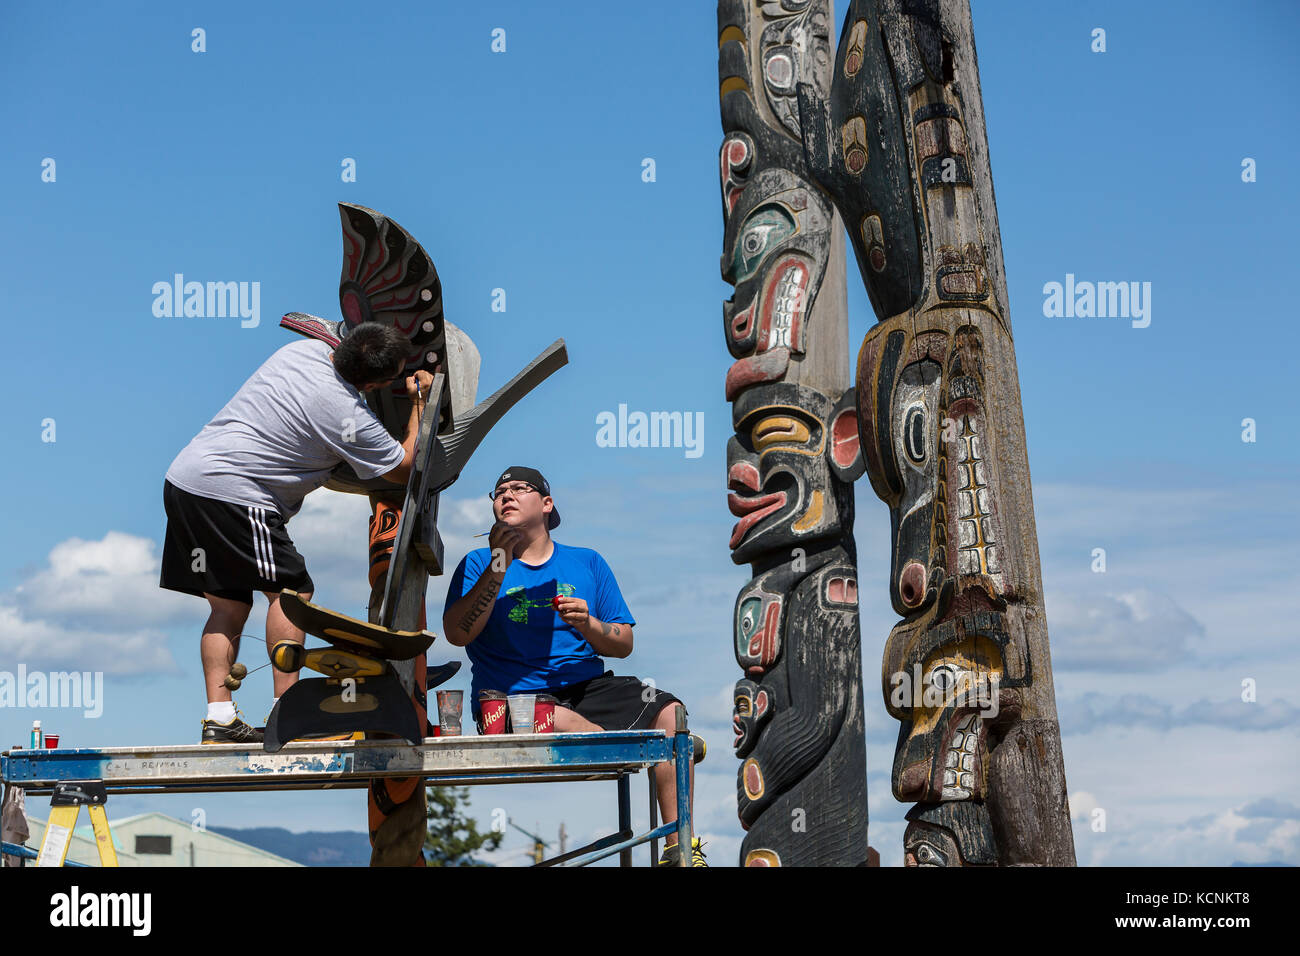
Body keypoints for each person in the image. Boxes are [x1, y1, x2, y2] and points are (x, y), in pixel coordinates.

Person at [160, 322, 434, 743]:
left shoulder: (301, 352)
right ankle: (287, 717)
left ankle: (219, 719)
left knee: (229, 607)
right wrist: (419, 402)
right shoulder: (345, 413)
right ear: (376, 382)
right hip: (234, 491)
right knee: (291, 593)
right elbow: (402, 467)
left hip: (186, 480)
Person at [442, 466, 707, 866]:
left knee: (672, 714)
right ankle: (616, 746)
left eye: (518, 488)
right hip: (512, 698)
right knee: (567, 723)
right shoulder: (479, 562)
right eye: (498, 492)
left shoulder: (587, 562)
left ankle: (679, 851)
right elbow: (459, 634)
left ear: (547, 504)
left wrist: (589, 624)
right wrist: (500, 562)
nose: (506, 496)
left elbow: (624, 644)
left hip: (586, 687)